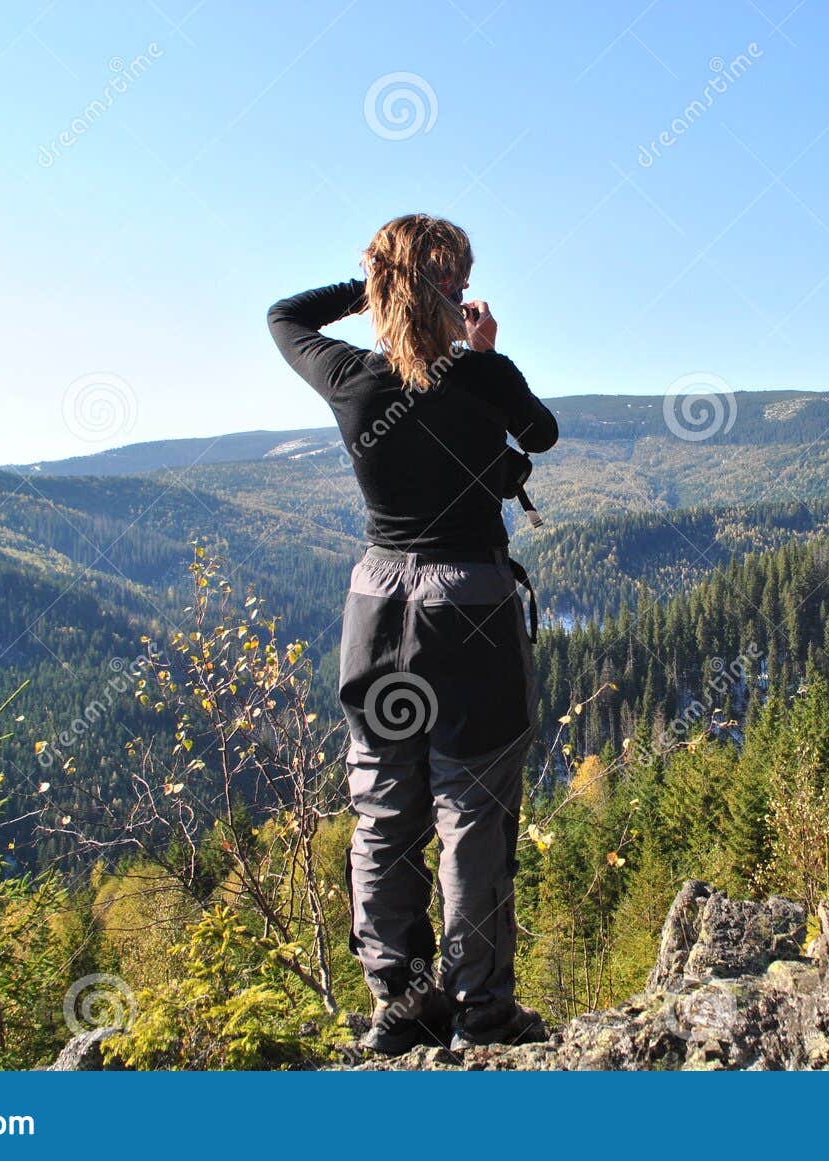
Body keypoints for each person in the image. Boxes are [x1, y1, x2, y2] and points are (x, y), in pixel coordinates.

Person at [267, 214, 558, 1054]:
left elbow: (284, 314)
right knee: (472, 807)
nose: (466, 294)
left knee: (385, 806)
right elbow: (538, 433)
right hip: (468, 605)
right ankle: (482, 1012)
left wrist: (380, 291)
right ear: (447, 292)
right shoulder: (481, 376)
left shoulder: (350, 378)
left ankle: (401, 997)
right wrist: (481, 351)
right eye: (456, 283)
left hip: (378, 605)